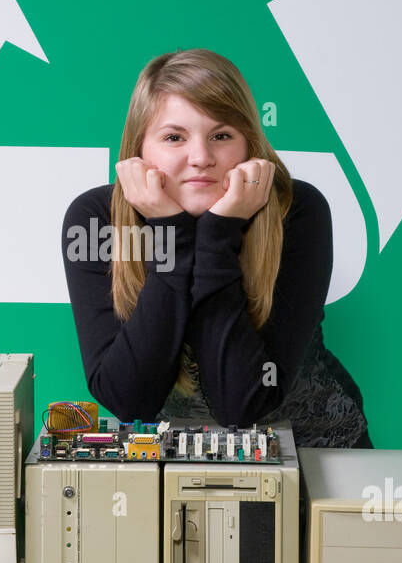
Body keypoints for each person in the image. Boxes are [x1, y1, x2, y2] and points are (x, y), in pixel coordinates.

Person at [62, 49, 372, 448]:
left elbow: (243, 404)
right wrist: (171, 233)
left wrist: (218, 234)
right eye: (174, 137)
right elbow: (129, 399)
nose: (201, 158)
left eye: (221, 136)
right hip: (175, 464)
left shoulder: (296, 211)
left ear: (249, 147)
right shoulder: (96, 220)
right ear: (139, 148)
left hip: (317, 453)